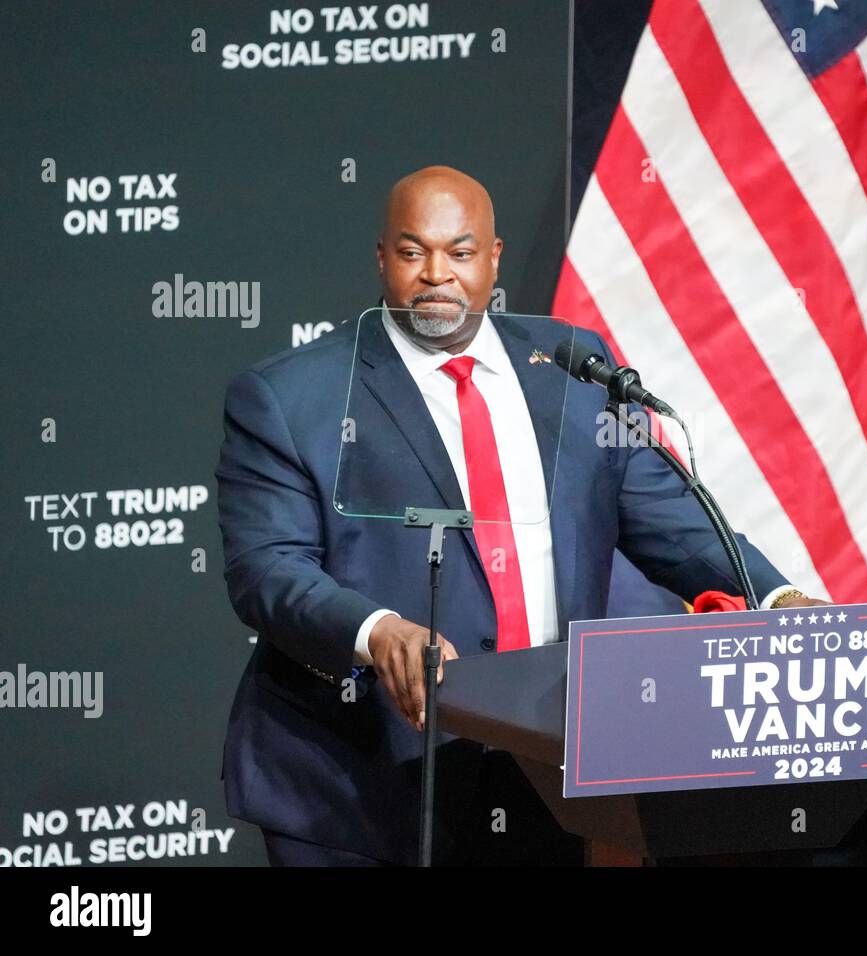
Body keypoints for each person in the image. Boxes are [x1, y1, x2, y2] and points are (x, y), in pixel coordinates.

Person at [215, 165, 825, 866]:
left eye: (461, 252)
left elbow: (665, 514)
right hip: (356, 780)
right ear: (382, 259)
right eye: (413, 253)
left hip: (541, 764)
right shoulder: (293, 398)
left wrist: (777, 596)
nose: (437, 275)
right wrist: (375, 631)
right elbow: (267, 569)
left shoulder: (569, 366)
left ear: (495, 259)